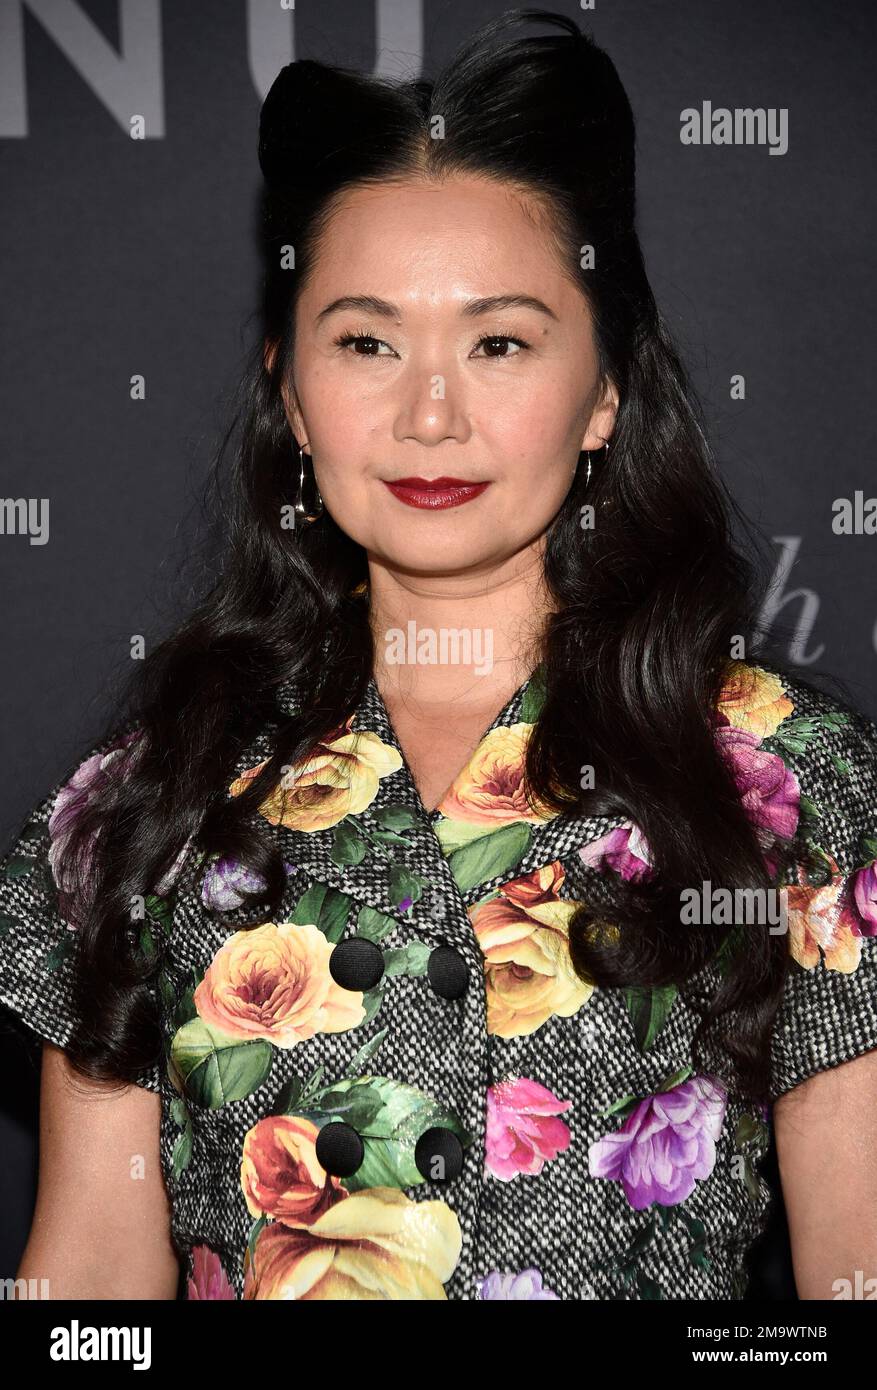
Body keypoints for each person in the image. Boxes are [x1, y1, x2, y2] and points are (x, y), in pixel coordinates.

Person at [2, 9, 876, 1302]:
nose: (429, 413)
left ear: (603, 392)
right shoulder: (149, 798)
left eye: (498, 342)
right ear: (291, 391)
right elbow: (85, 1285)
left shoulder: (779, 776)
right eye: (366, 341)